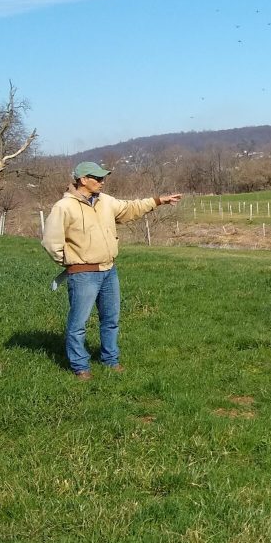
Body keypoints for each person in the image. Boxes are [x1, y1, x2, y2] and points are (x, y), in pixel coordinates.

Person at [42, 161, 181, 380]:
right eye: (97, 178)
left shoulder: (105, 201)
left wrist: (158, 201)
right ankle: (80, 367)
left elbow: (130, 208)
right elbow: (51, 242)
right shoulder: (64, 207)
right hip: (83, 275)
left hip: (109, 271)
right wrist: (71, 262)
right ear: (82, 180)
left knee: (111, 320)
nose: (102, 182)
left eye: (103, 178)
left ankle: (110, 360)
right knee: (78, 324)